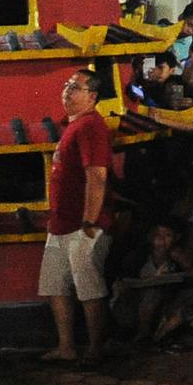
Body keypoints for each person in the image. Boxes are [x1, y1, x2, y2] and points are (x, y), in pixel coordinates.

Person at [38, 69, 113, 366]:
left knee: (89, 287)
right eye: (67, 86)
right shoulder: (74, 126)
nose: (67, 92)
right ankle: (66, 346)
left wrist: (90, 220)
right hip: (61, 222)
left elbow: (97, 175)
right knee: (55, 285)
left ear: (92, 97)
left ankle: (96, 349)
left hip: (82, 224)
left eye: (75, 88)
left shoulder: (91, 126)